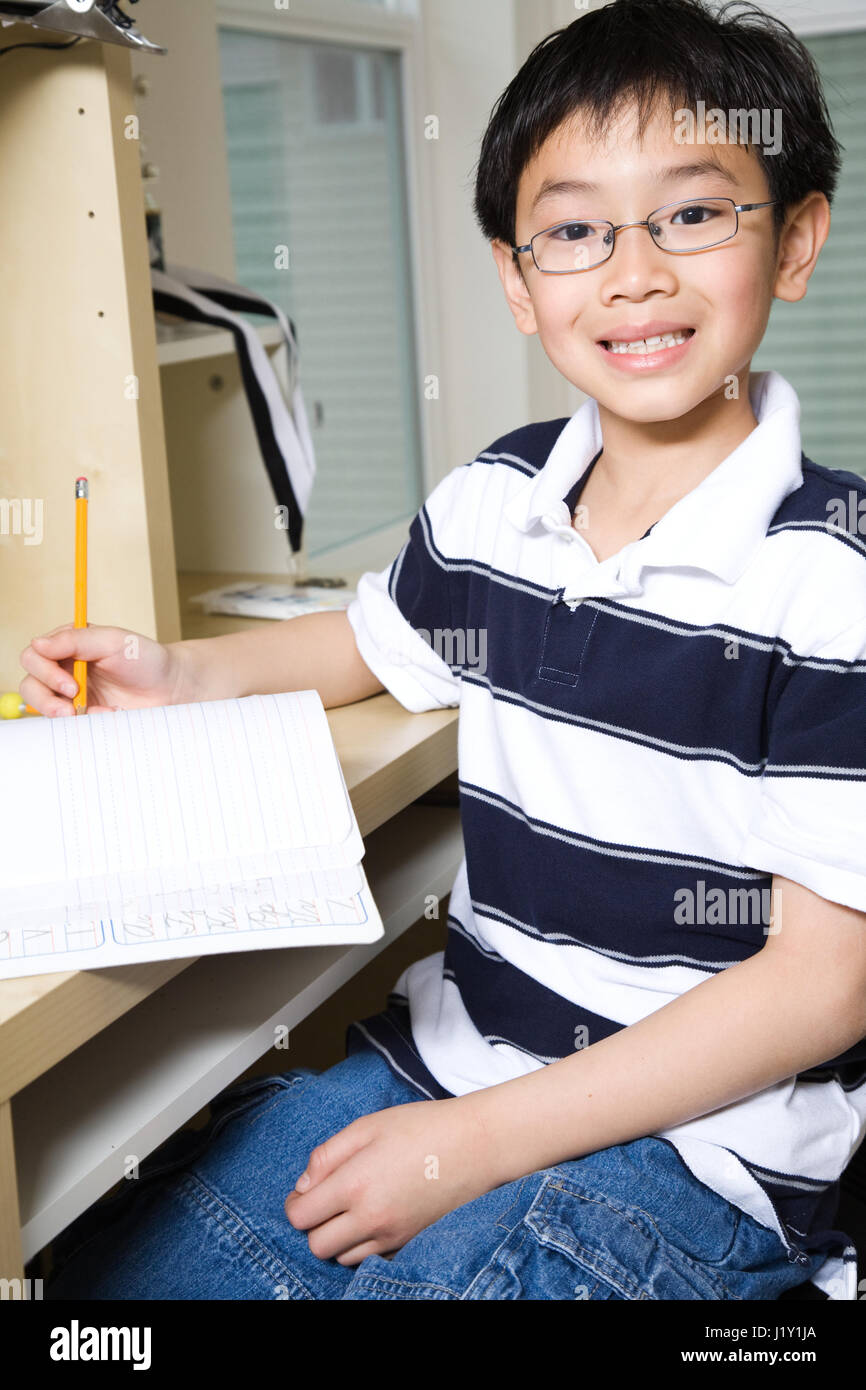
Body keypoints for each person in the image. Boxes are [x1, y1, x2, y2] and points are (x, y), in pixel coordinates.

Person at [27, 0, 866, 1300]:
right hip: (450, 1056)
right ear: (516, 280)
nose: (632, 271)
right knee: (101, 1289)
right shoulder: (494, 503)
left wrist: (477, 1143)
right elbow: (373, 644)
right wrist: (179, 676)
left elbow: (822, 986)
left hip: (703, 1151)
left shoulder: (830, 578)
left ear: (796, 239)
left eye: (692, 214)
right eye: (575, 230)